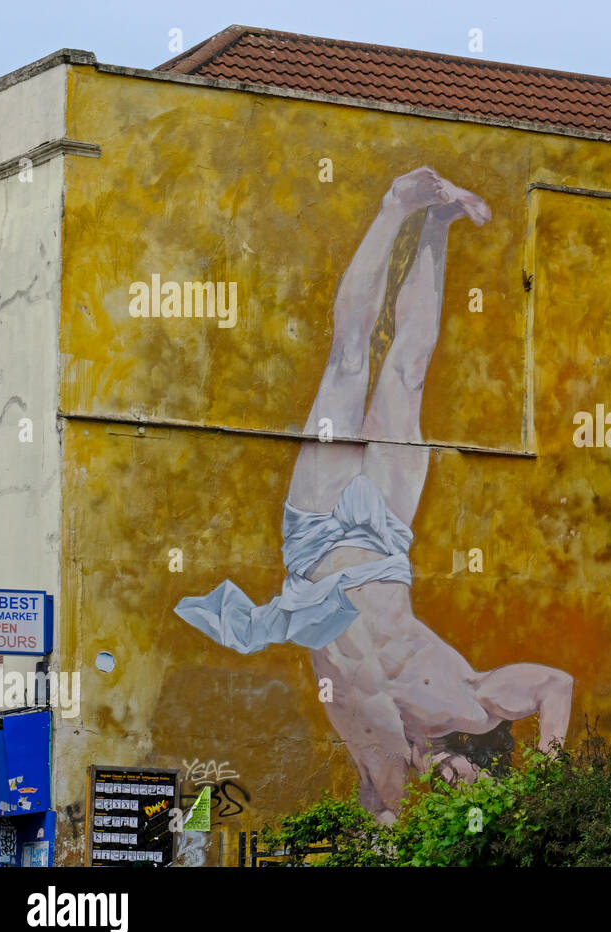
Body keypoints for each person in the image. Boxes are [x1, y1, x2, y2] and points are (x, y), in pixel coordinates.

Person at [176, 168, 573, 822]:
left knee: (350, 364)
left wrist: (406, 804)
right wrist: (551, 792)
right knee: (404, 373)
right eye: (471, 782)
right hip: (387, 538)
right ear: (482, 762)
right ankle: (428, 219)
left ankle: (396, 207)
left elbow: (385, 820)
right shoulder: (466, 698)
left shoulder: (384, 758)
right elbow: (555, 686)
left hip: (321, 539)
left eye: (453, 794)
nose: (456, 784)